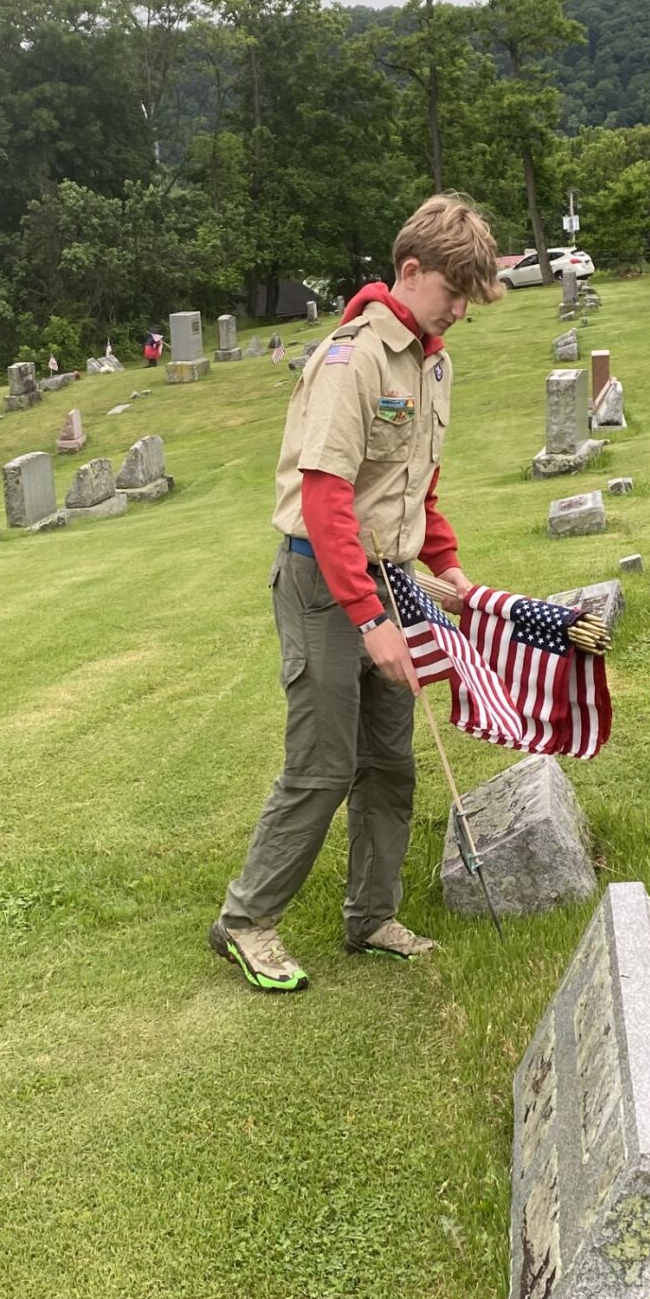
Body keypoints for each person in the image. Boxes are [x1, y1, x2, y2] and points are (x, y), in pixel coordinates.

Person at [210, 194, 503, 993]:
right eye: (451, 293)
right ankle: (245, 920)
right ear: (410, 272)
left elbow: (417, 488)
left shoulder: (432, 358)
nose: (458, 313)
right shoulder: (352, 358)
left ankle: (371, 915)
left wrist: (451, 572)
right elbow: (325, 496)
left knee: (388, 761)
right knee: (322, 764)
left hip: (393, 581)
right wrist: (369, 617)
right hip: (324, 582)